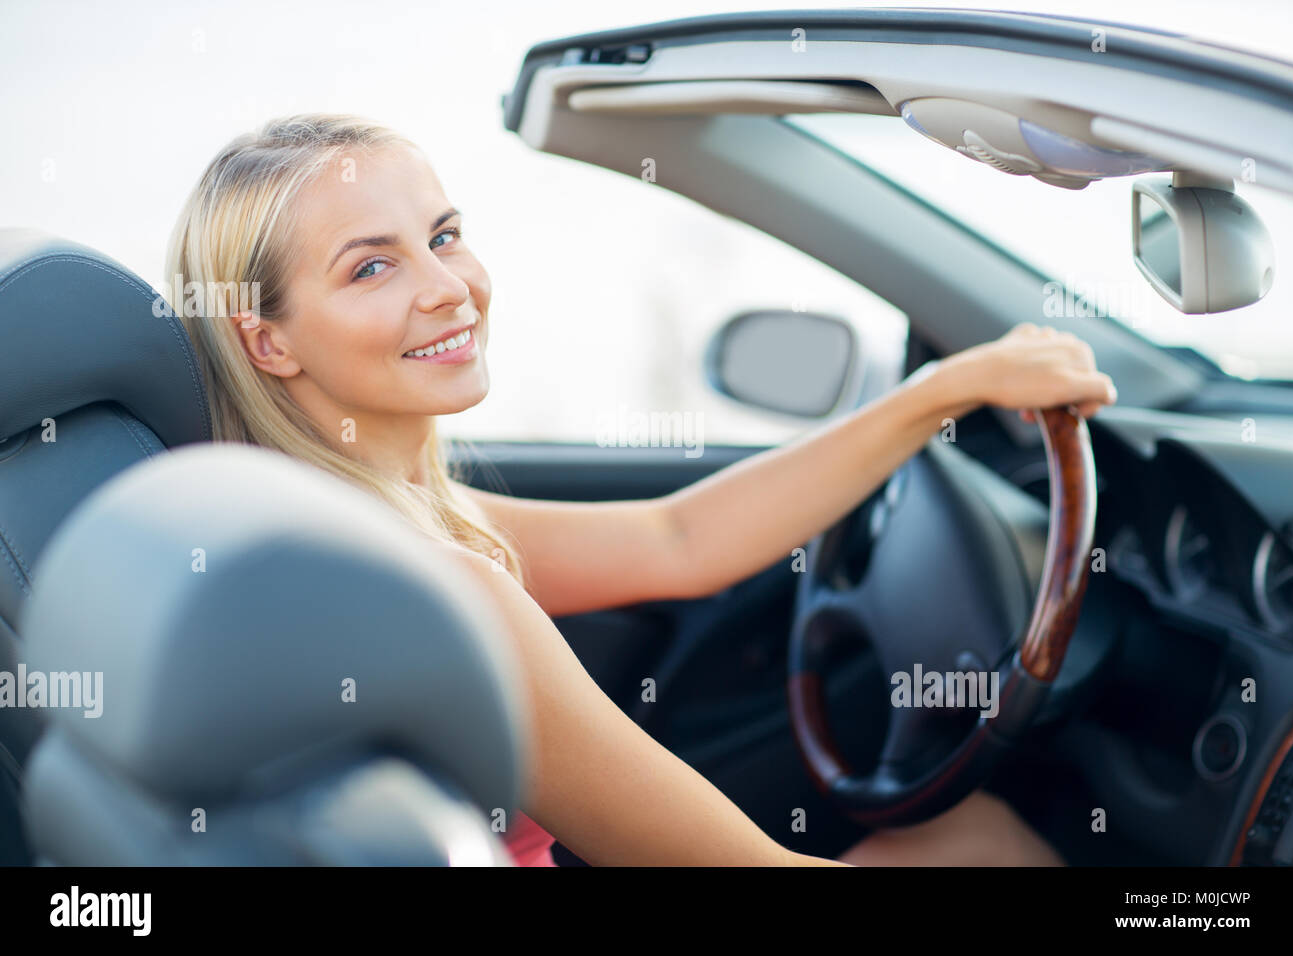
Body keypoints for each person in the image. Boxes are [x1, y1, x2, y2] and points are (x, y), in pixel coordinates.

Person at [167, 113, 1115, 867]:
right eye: (371, 266)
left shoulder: (361, 523)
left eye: (444, 236)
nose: (448, 287)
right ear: (268, 340)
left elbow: (679, 540)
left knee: (975, 834)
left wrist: (944, 388)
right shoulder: (447, 589)